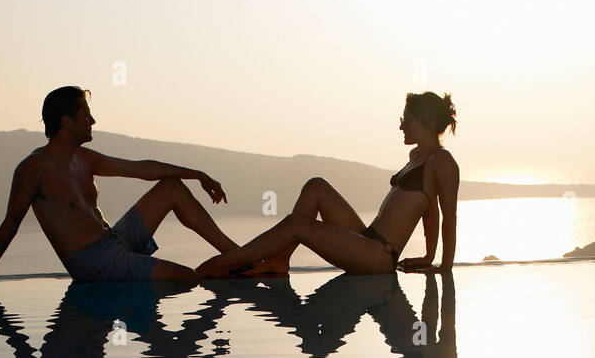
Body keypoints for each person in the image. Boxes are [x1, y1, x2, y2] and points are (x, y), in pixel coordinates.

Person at [0, 86, 237, 287]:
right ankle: (217, 272)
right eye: (86, 114)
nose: (93, 121)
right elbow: (10, 225)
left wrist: (198, 174)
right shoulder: (33, 170)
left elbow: (140, 169)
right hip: (93, 263)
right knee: (187, 278)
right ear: (66, 121)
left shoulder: (84, 158)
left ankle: (238, 257)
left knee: (171, 187)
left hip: (114, 241)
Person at [195, 92, 459, 278]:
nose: (402, 126)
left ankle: (222, 263)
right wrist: (427, 255)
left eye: (408, 120)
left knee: (297, 225)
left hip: (378, 255)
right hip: (368, 239)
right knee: (316, 187)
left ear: (430, 123)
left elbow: (447, 216)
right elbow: (430, 209)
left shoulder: (442, 162)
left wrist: (442, 265)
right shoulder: (416, 157)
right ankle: (279, 260)